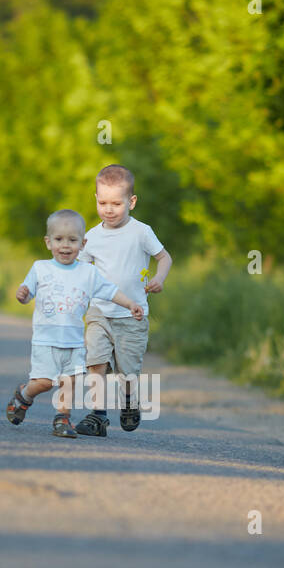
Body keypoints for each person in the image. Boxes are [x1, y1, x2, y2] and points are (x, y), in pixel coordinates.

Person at [5, 209, 144, 438]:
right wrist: (23, 295)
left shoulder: (88, 272)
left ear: (83, 243)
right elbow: (27, 293)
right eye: (59, 239)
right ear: (48, 242)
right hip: (46, 340)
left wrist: (130, 303)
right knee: (44, 382)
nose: (66, 246)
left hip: (73, 342)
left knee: (68, 382)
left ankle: (62, 418)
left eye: (72, 240)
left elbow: (110, 291)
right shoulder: (41, 268)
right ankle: (24, 395)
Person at [74, 164, 172, 437]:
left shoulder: (141, 232)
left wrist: (160, 278)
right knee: (96, 363)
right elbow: (81, 272)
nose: (109, 209)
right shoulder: (90, 237)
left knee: (127, 372)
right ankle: (98, 416)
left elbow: (164, 257)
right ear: (95, 199)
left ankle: (130, 402)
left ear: (131, 202)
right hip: (99, 313)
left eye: (116, 203)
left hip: (132, 316)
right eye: (103, 202)